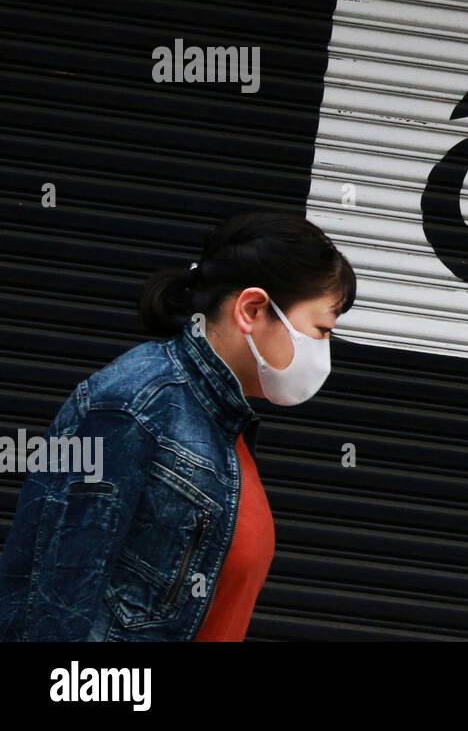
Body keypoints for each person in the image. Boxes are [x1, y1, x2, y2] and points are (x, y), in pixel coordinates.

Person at [0, 211, 355, 640]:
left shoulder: (221, 421)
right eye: (321, 329)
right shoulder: (131, 407)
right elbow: (53, 611)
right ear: (253, 308)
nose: (323, 349)